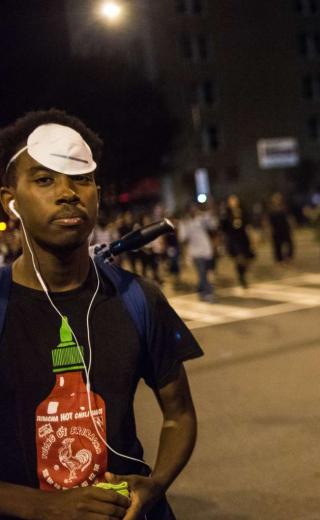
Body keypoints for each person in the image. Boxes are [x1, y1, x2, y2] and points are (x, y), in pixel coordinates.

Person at [0, 109, 202, 519]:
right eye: (44, 179)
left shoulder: (138, 298)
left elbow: (178, 414)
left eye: (82, 179)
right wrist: (45, 506)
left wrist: (154, 485)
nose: (67, 192)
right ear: (11, 202)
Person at [179, 203, 217, 302]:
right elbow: (182, 238)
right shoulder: (185, 222)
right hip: (195, 252)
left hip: (207, 250)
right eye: (191, 209)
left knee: (209, 272)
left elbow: (213, 225)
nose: (194, 210)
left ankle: (201, 289)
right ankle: (207, 293)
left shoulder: (202, 219)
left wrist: (210, 213)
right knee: (202, 272)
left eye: (195, 208)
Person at [221, 194, 254, 288]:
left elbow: (247, 223)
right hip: (233, 238)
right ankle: (242, 277)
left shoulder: (242, 211)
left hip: (243, 237)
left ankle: (243, 273)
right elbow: (223, 227)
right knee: (239, 258)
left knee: (247, 258)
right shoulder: (226, 213)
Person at [266, 192, 294, 265]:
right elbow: (268, 221)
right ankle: (279, 259)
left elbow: (289, 218)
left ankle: (288, 257)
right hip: (276, 229)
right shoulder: (271, 209)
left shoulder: (284, 208)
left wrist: (291, 225)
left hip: (285, 228)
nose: (277, 200)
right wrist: (269, 229)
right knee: (277, 245)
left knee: (289, 243)